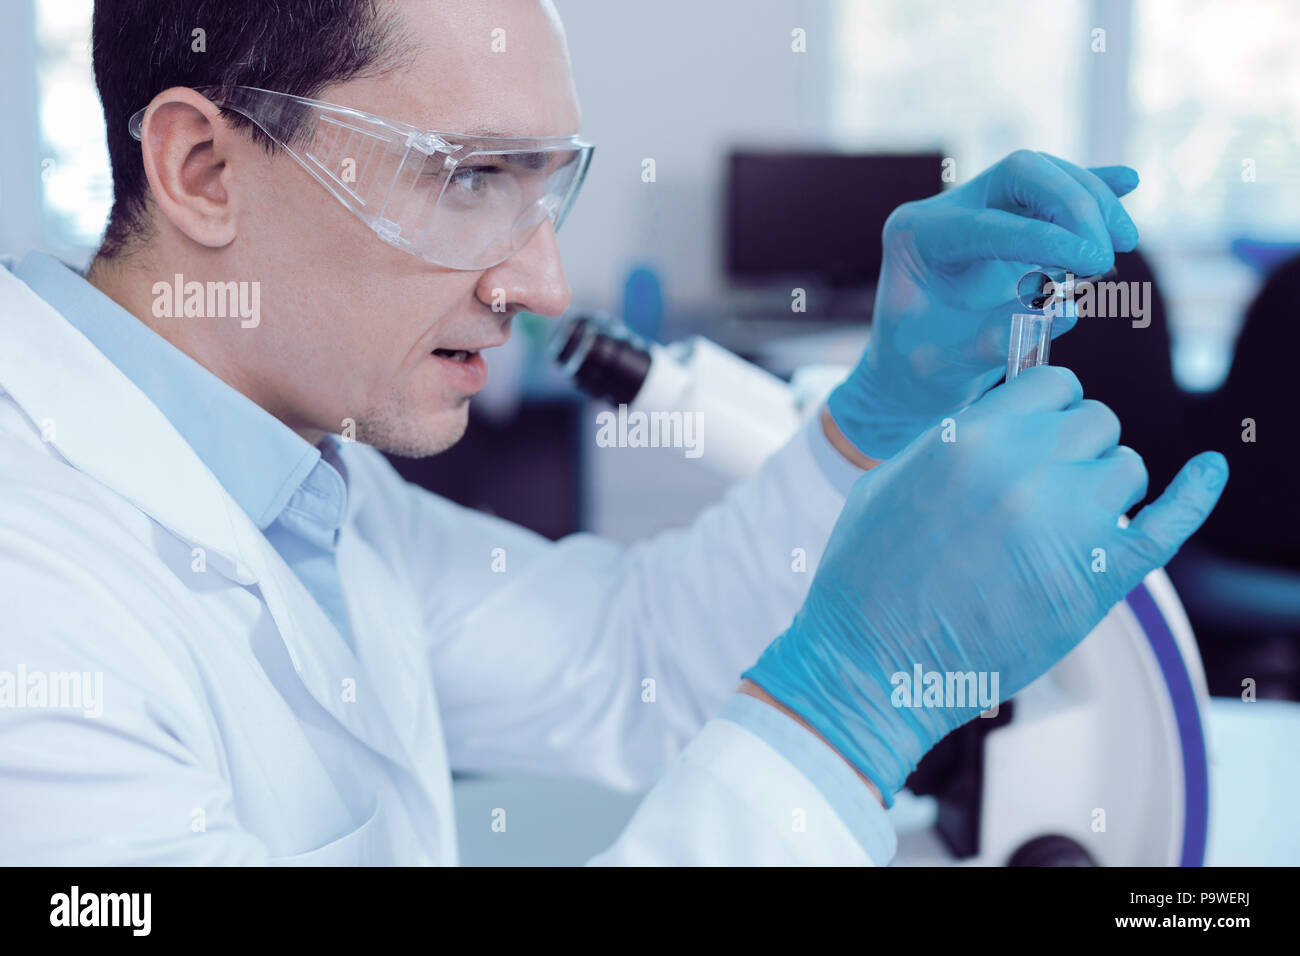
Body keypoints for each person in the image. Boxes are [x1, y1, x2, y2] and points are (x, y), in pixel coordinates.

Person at [0, 0, 1225, 865]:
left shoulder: (295, 470)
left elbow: (626, 661)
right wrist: (848, 709)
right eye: (469, 177)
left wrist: (882, 405)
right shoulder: (34, 598)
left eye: (543, 190)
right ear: (204, 167)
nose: (539, 283)